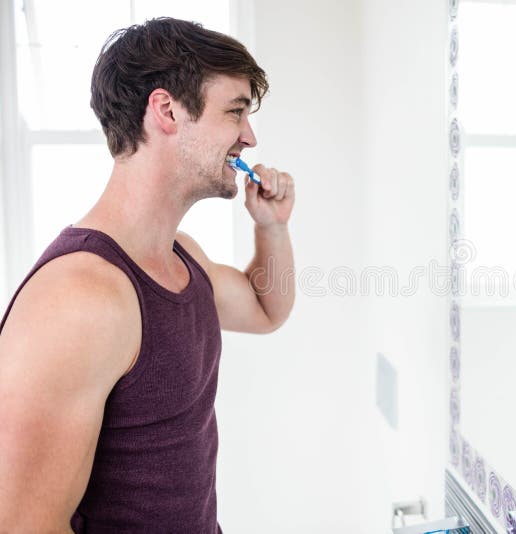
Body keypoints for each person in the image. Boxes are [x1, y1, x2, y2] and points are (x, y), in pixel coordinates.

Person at [0, 18, 295, 532]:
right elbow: (25, 523)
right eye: (235, 112)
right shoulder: (78, 299)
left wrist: (272, 227)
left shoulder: (184, 256)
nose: (249, 136)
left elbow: (267, 309)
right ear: (167, 111)